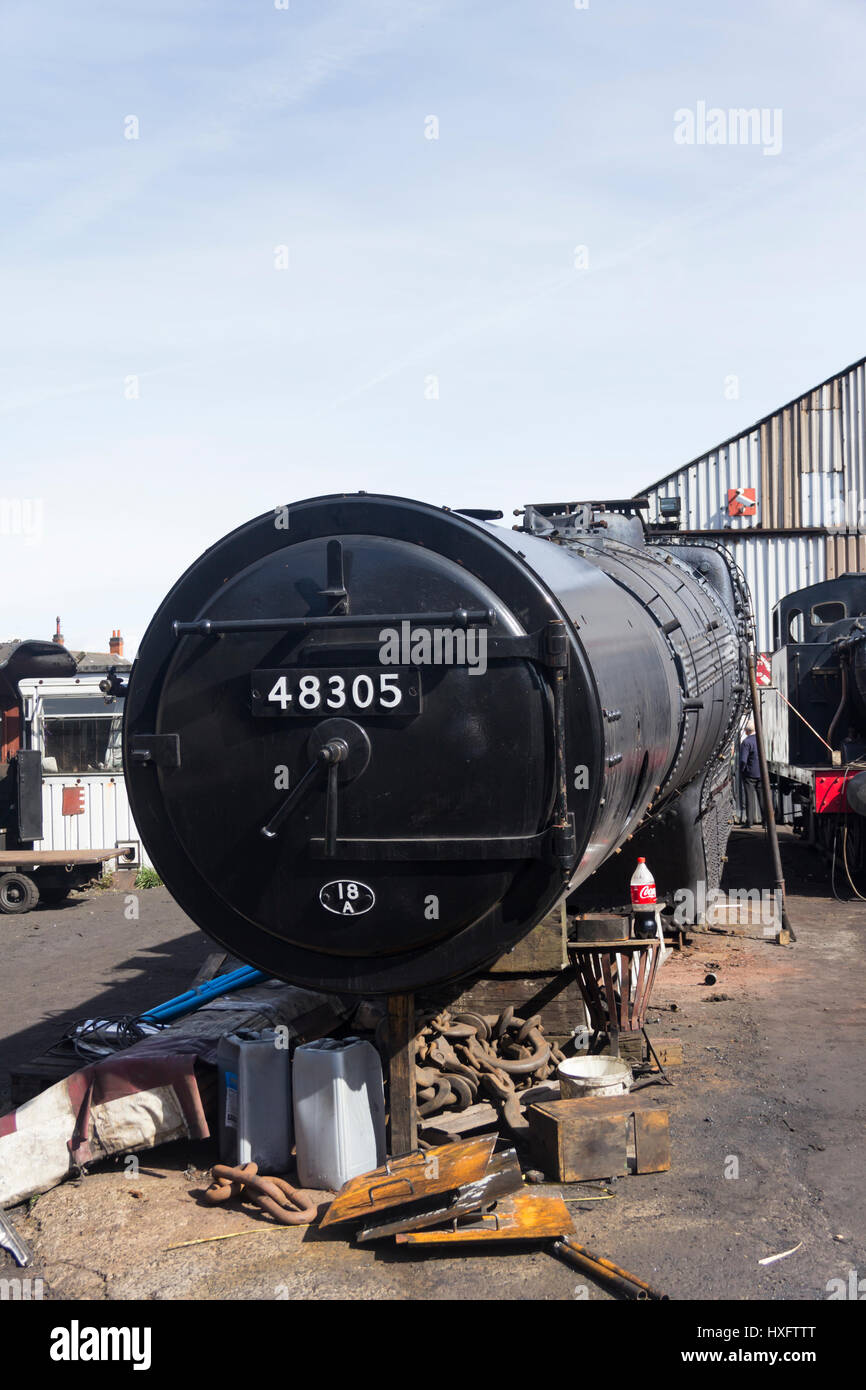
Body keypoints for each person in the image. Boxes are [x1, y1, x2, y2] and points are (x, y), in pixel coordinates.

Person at [739, 723, 763, 827]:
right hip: (762, 774)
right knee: (762, 798)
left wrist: (741, 770)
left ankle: (749, 822)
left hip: (749, 774)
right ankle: (766, 822)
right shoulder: (761, 740)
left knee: (750, 798)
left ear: (746, 731)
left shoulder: (746, 742)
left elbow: (743, 760)